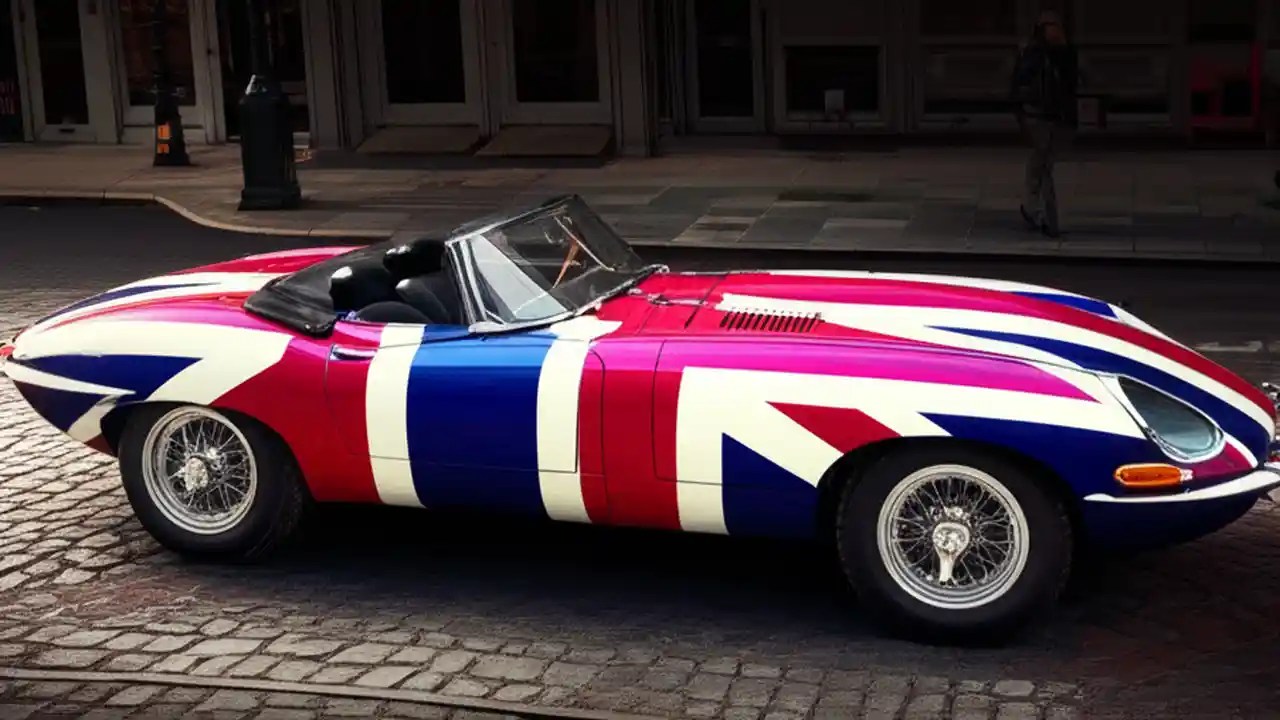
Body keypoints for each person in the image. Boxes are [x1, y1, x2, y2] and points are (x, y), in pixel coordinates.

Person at [1011, 11, 1078, 238]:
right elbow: (1020, 86)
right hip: (1039, 116)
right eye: (1052, 26)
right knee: (1045, 166)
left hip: (1057, 118)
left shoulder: (1066, 53)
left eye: (1059, 26)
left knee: (1039, 164)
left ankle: (1031, 209)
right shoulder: (1034, 53)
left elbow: (1072, 85)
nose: (1057, 30)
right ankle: (1049, 219)